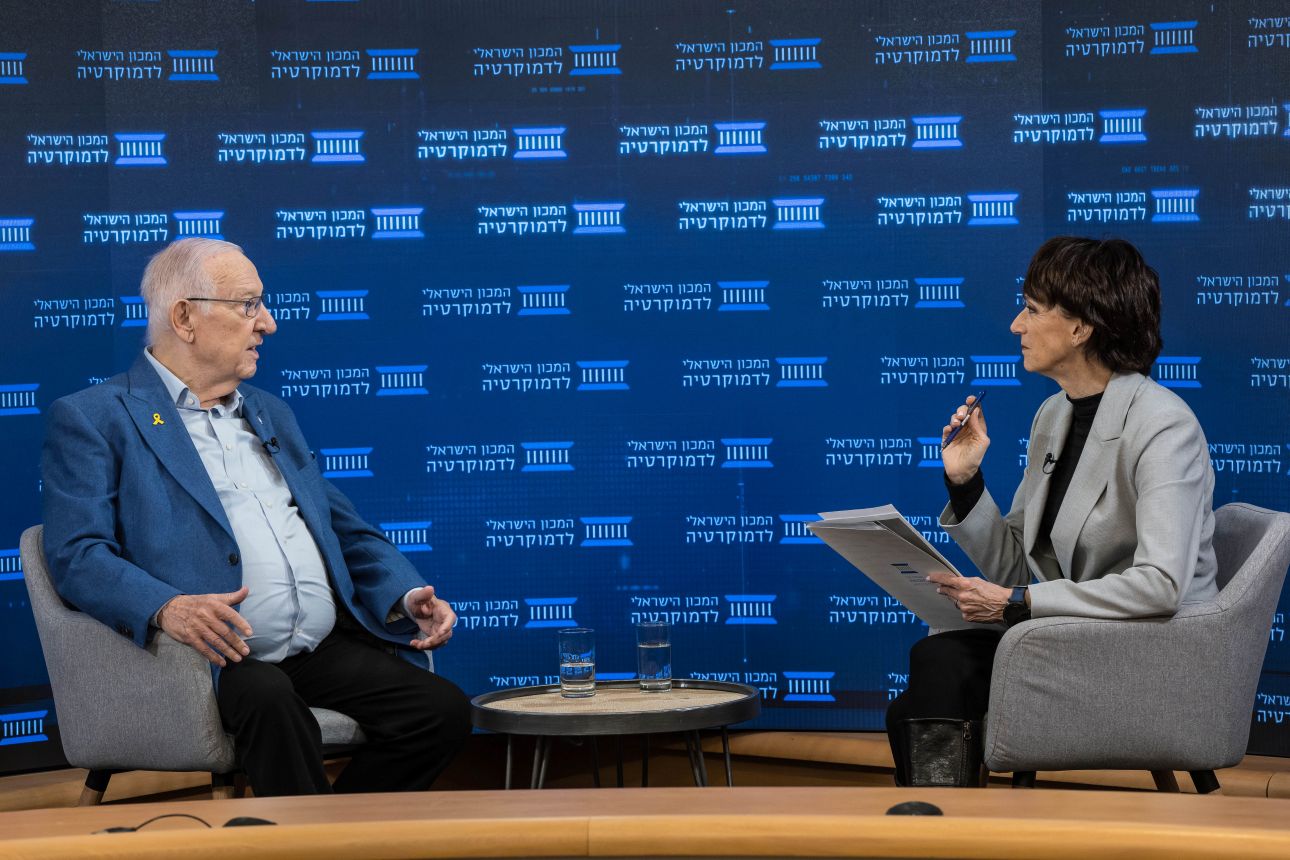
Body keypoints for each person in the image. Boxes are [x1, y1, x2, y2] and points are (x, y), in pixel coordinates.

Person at [42, 238, 472, 796]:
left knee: (439, 711)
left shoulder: (271, 411)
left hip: (314, 648)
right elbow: (77, 554)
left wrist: (401, 592)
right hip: (211, 661)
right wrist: (166, 607)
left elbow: (337, 523)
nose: (266, 323)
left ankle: (336, 839)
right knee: (269, 700)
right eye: (248, 305)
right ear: (185, 318)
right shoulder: (97, 417)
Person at [885, 236, 1218, 787]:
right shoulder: (1053, 415)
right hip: (1069, 631)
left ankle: (943, 833)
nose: (1016, 325)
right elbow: (1019, 565)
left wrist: (1017, 603)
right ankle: (950, 831)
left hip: (1146, 652)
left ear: (1081, 327)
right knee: (924, 680)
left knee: (941, 670)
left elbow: (1161, 585)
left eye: (1032, 310)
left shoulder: (1164, 425)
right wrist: (965, 482)